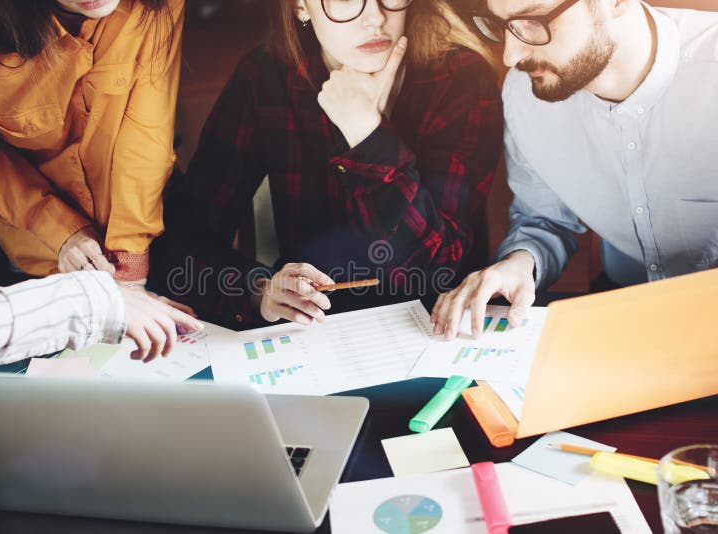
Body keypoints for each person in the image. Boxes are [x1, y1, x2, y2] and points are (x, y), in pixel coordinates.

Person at [152, 0, 503, 328]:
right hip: (313, 331)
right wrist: (258, 288)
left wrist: (367, 135)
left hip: (436, 327)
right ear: (301, 6)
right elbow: (183, 243)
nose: (376, 17)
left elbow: (439, 268)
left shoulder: (461, 78)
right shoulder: (265, 77)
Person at [0, 0, 202, 370]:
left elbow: (145, 136)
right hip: (35, 256)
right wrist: (60, 231)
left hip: (141, 240)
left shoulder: (156, 7)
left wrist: (128, 274)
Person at [431, 0, 718, 339]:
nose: (510, 56)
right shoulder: (526, 96)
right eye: (501, 24)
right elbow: (543, 219)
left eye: (534, 20)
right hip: (620, 313)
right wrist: (520, 264)